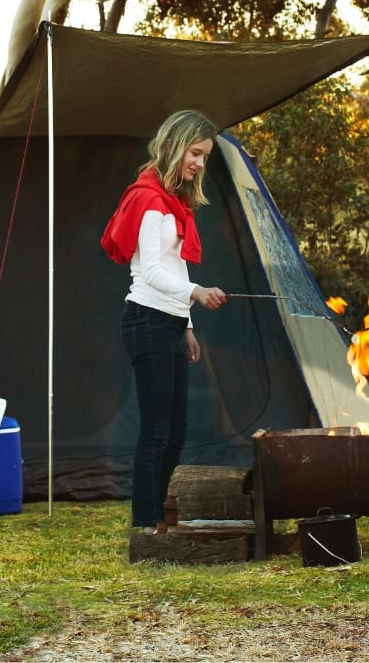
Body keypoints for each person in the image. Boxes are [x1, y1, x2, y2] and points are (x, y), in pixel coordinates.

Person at [101, 109, 228, 534]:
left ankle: (160, 518)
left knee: (176, 432)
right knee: (155, 431)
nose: (199, 163)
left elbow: (178, 267)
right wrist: (196, 294)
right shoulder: (149, 200)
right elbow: (152, 272)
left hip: (171, 322)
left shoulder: (175, 200)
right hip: (146, 320)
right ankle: (145, 525)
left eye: (205, 157)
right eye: (196, 152)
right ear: (175, 145)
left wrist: (188, 323)